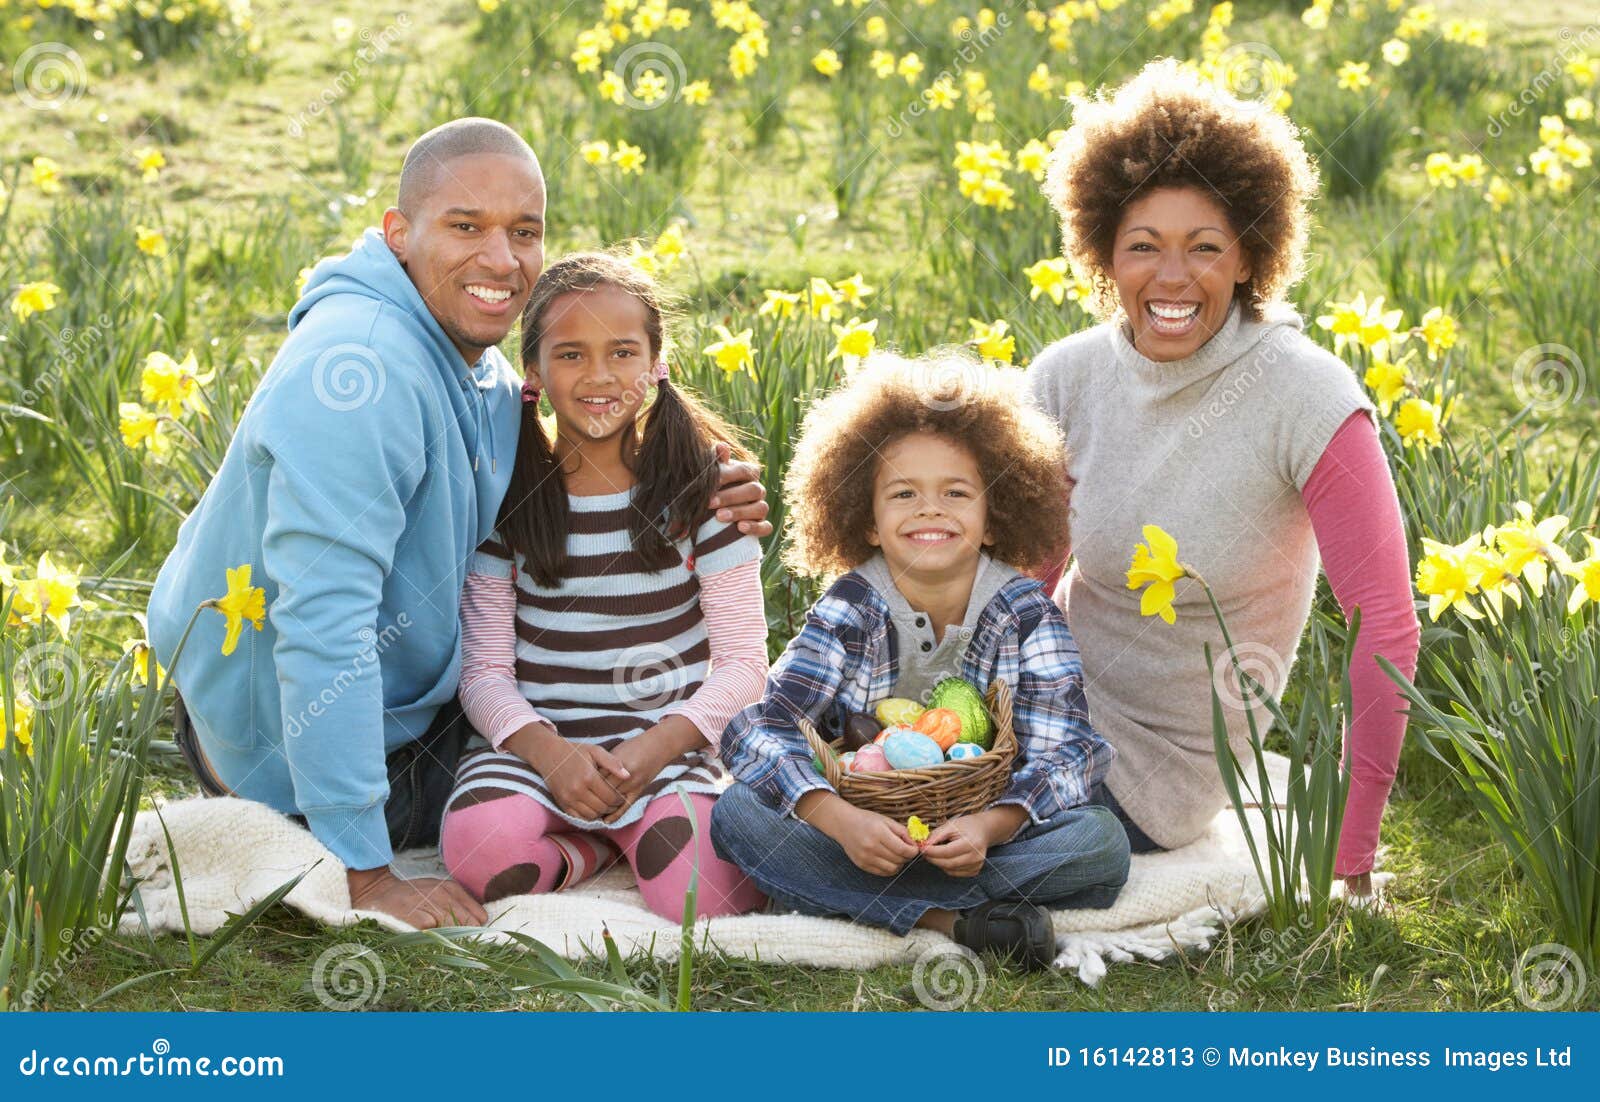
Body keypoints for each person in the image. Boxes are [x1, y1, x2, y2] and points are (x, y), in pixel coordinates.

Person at [146, 119, 772, 930]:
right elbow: (322, 632)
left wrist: (703, 479)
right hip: (288, 750)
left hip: (407, 709)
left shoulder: (470, 361)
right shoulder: (361, 378)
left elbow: (575, 447)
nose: (502, 260)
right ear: (399, 235)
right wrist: (367, 877)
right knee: (507, 829)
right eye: (465, 227)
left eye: (524, 232)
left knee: (639, 776)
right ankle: (602, 834)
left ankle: (621, 822)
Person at [1028, 60, 1421, 894]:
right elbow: (1022, 582)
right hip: (1035, 711)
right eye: (1143, 247)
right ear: (1105, 254)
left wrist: (1350, 852)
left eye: (1204, 248)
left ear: (1250, 257)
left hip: (1156, 772)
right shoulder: (1066, 377)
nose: (1172, 277)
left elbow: (1385, 625)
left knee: (957, 834)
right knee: (849, 770)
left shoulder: (1308, 395)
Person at [711, 351, 1129, 971]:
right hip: (865, 830)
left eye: (956, 493)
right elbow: (760, 728)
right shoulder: (850, 607)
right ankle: (957, 921)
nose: (930, 509)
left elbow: (1069, 750)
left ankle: (855, 899)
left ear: (994, 518)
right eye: (903, 493)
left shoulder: (1025, 613)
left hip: (981, 839)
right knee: (736, 815)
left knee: (1101, 843)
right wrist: (840, 821)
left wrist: (994, 825)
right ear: (869, 520)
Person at [439, 252, 768, 921]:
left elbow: (744, 667)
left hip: (666, 749)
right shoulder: (503, 498)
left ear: (656, 363)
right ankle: (589, 851)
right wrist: (552, 757)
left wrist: (651, 752)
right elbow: (484, 674)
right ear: (531, 371)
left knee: (711, 901)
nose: (598, 377)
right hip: (539, 754)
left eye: (622, 353)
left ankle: (628, 839)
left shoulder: (705, 493)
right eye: (570, 355)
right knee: (477, 853)